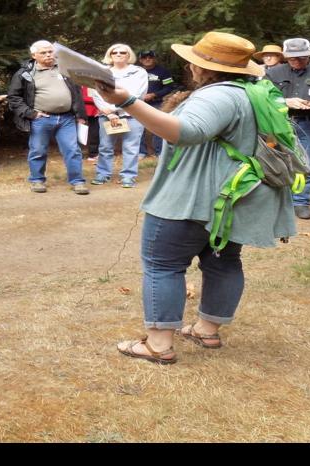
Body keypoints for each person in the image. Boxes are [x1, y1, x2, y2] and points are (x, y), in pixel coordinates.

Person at [94, 32, 295, 364]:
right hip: (231, 198)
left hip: (190, 199)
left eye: (194, 61)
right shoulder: (253, 91)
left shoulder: (216, 96)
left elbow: (185, 132)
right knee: (223, 262)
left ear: (202, 68)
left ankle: (158, 345)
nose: (189, 65)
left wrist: (127, 101)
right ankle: (207, 329)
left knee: (163, 265)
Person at [265, 37, 310, 220]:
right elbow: (261, 97)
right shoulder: (274, 73)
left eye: (302, 57)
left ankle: (300, 201)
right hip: (281, 123)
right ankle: (280, 199)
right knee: (277, 161)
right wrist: (284, 101)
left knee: (308, 163)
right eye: (292, 58)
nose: (297, 61)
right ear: (285, 56)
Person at [6, 40, 89, 194]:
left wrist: (80, 115)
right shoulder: (25, 73)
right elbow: (14, 98)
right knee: (38, 150)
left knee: (72, 150)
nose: (48, 55)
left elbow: (77, 93)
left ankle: (77, 182)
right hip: (41, 119)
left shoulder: (65, 69)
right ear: (34, 55)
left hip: (67, 118)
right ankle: (37, 181)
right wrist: (32, 114)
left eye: (50, 51)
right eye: (43, 52)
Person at [88, 43, 148, 188]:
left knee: (131, 147)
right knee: (105, 147)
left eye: (123, 52)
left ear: (129, 55)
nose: (119, 54)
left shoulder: (139, 72)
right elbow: (96, 93)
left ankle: (128, 176)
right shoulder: (102, 72)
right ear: (110, 55)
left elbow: (138, 94)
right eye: (115, 52)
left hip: (132, 113)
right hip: (107, 115)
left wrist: (115, 109)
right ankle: (102, 174)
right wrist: (108, 111)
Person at [137, 50, 177, 157]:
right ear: (140, 60)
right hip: (139, 103)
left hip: (157, 103)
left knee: (158, 127)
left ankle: (159, 152)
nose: (147, 59)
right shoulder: (136, 72)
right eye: (144, 57)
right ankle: (141, 152)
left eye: (150, 57)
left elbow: (169, 87)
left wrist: (154, 94)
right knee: (138, 127)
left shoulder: (163, 72)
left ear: (154, 58)